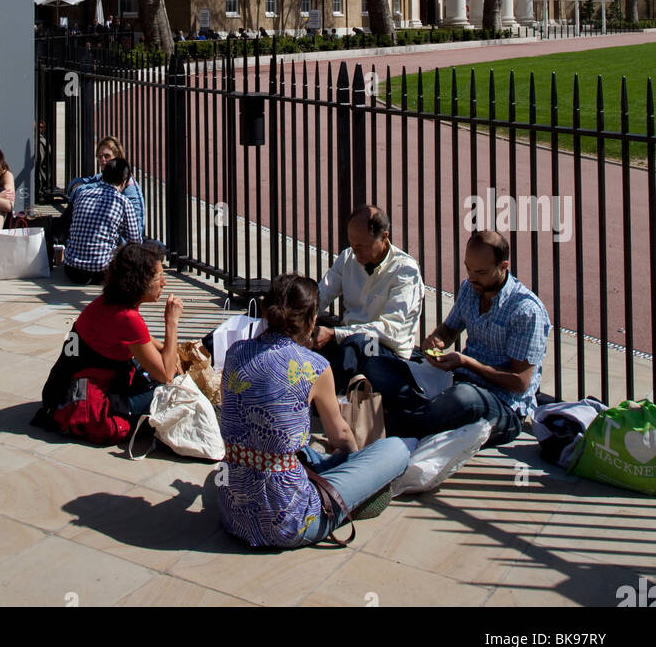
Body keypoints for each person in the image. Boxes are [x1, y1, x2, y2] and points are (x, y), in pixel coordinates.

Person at [217, 273, 410, 548]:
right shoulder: (314, 366)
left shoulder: (236, 352)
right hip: (287, 521)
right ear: (311, 320)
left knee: (298, 451)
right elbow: (340, 435)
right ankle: (349, 493)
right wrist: (357, 463)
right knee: (396, 450)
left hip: (233, 509)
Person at [375, 230, 551, 446]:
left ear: (503, 267)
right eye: (468, 268)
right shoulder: (470, 288)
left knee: (463, 398)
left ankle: (395, 423)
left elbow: (520, 382)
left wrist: (466, 362)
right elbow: (449, 330)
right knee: (380, 366)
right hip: (458, 380)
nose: (472, 277)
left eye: (481, 272)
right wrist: (436, 340)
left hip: (502, 403)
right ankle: (426, 414)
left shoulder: (525, 311)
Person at [32, 241, 183, 438]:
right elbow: (166, 375)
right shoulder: (127, 318)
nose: (164, 282)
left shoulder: (109, 302)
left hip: (60, 390)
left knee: (155, 369)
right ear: (139, 281)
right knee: (172, 390)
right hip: (89, 404)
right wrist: (171, 322)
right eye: (158, 277)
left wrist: (167, 350)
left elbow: (141, 338)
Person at [313, 205, 424, 392]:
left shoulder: (405, 271)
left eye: (362, 246)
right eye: (352, 244)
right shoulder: (348, 257)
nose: (355, 252)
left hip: (387, 351)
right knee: (312, 342)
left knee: (356, 344)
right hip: (350, 340)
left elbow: (389, 329)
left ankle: (330, 403)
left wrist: (335, 333)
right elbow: (321, 294)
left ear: (384, 238)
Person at [64, 156, 142, 284]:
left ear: (103, 177)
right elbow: (135, 242)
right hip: (102, 271)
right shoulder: (123, 202)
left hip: (72, 269)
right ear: (124, 182)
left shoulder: (83, 194)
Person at [65, 135, 146, 233]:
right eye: (99, 156)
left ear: (117, 157)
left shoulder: (128, 186)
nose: (102, 160)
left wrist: (89, 187)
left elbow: (137, 227)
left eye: (107, 156)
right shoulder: (100, 177)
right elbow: (74, 183)